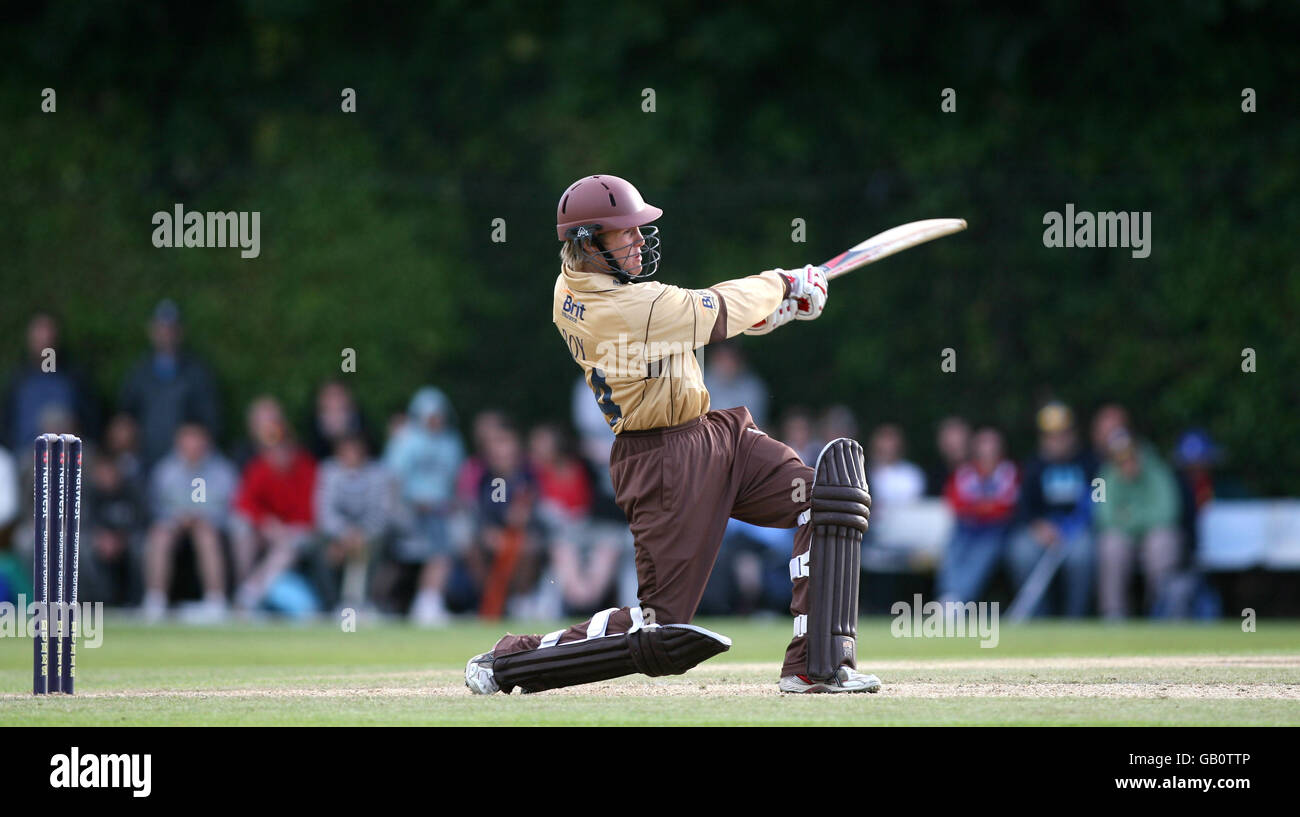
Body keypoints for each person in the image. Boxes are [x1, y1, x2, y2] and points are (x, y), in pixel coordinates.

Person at [465, 174, 877, 695]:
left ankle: (814, 667)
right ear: (588, 241)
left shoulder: (573, 284)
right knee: (660, 634)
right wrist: (785, 282)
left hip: (714, 435)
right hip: (663, 463)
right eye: (626, 233)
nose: (640, 240)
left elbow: (694, 327)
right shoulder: (626, 308)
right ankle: (509, 662)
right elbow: (710, 309)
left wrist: (774, 311)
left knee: (827, 501)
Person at [1006, 403, 1096, 617]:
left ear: (1073, 434)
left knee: (1083, 555)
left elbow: (1098, 501)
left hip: (1079, 531)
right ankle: (1039, 617)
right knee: (1021, 551)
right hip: (1043, 532)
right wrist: (1039, 526)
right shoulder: (1033, 465)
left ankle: (1076, 616)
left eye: (1062, 434)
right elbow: (1023, 507)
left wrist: (1077, 527)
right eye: (1051, 436)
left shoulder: (1091, 463)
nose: (1057, 441)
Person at [142, 422, 238, 622]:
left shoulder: (222, 470)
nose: (192, 447)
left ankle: (215, 600)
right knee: (159, 535)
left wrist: (201, 517)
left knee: (206, 535)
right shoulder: (165, 470)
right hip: (173, 524)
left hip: (210, 526)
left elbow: (228, 506)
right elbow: (156, 506)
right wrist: (177, 518)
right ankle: (155, 600)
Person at [384, 387, 465, 624]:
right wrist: (410, 505)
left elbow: (455, 483)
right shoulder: (406, 440)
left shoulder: (451, 442)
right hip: (407, 510)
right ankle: (426, 600)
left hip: (440, 511)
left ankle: (429, 600)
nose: (436, 421)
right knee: (438, 541)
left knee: (451, 537)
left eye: (439, 416)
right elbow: (393, 481)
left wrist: (451, 504)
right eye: (431, 416)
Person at [230, 397, 317, 612]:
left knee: (287, 547)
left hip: (298, 532)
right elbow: (244, 504)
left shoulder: (307, 468)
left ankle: (250, 596)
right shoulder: (259, 468)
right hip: (269, 531)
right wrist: (266, 524)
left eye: (284, 447)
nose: (279, 454)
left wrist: (282, 531)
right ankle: (245, 587)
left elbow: (310, 514)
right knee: (241, 530)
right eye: (274, 448)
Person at [119, 300, 221, 467]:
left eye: (171, 329)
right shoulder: (139, 371)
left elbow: (210, 420)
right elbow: (126, 414)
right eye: (161, 328)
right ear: (151, 331)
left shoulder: (197, 372)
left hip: (184, 461)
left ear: (180, 332)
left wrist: (194, 440)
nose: (166, 334)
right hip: (143, 458)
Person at [1094, 427, 1181, 618]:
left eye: (1131, 457)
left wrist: (1130, 517)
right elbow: (1103, 516)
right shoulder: (1102, 476)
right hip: (1123, 538)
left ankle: (1161, 611)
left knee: (1162, 543)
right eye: (1121, 459)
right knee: (1110, 545)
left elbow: (1167, 513)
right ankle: (1113, 614)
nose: (1127, 463)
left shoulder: (1159, 471)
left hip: (1152, 535)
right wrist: (1137, 520)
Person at [313, 432, 393, 611]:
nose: (352, 454)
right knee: (322, 550)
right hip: (337, 536)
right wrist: (345, 534)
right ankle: (332, 605)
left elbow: (381, 513)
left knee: (373, 548)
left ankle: (360, 603)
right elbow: (324, 513)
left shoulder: (378, 473)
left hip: (368, 536)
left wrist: (360, 535)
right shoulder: (328, 471)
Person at [937, 427, 1018, 603]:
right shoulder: (965, 472)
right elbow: (955, 502)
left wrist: (977, 507)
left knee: (980, 557)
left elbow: (1007, 507)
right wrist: (985, 507)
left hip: (995, 529)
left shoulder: (1008, 472)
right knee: (952, 552)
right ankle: (948, 596)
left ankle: (959, 599)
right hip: (967, 528)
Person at [2, 312, 98, 454]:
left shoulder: (75, 378)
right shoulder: (18, 381)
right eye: (40, 334)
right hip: (28, 456)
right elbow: (7, 426)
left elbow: (93, 420)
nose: (45, 340)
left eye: (48, 333)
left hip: (73, 454)